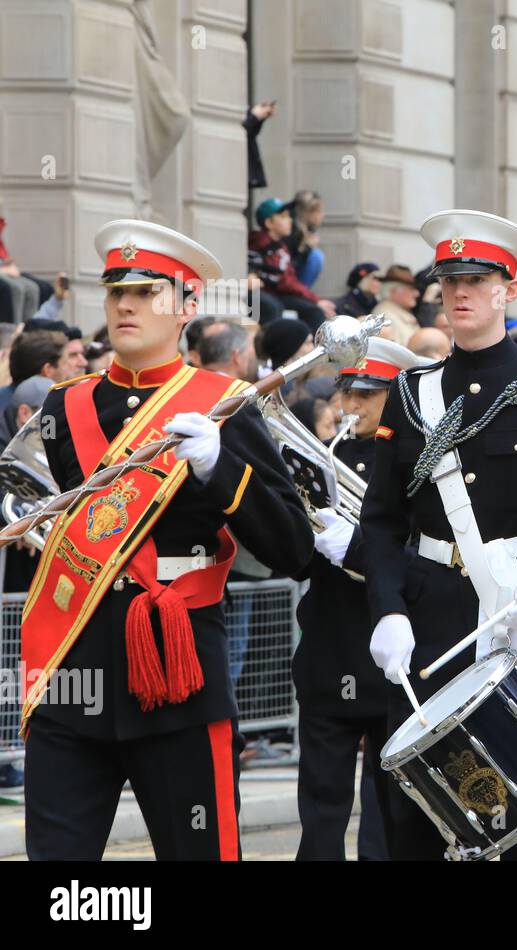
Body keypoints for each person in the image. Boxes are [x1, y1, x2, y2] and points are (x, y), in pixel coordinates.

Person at [21, 219, 313, 860]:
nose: (126, 304)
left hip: (179, 667)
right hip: (78, 666)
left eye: (148, 291)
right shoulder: (63, 409)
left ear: (185, 307)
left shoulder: (224, 406)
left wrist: (219, 469)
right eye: (115, 291)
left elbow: (292, 545)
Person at [360, 210, 517, 861]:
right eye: (449, 280)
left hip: (515, 618)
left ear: (509, 289)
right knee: (418, 824)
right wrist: (386, 612)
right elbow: (383, 521)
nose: (460, 293)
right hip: (428, 624)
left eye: (476, 278)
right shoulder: (412, 394)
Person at [291, 337, 422, 860]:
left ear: (395, 396)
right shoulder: (330, 456)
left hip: (387, 651)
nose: (353, 406)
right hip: (328, 647)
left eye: (368, 394)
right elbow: (296, 558)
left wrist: (356, 550)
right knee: (320, 803)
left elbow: (419, 560)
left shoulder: (417, 466)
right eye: (348, 391)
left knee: (389, 807)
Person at [248, 197, 335, 330]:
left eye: (289, 216)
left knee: (313, 311)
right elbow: (284, 282)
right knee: (273, 307)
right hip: (264, 295)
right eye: (283, 217)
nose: (289, 220)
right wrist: (315, 299)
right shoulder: (261, 243)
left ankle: (311, 348)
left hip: (277, 294)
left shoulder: (281, 246)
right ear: (269, 223)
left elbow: (289, 279)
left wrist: (314, 300)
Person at [373, 265, 421, 348]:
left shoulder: (399, 311)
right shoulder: (385, 316)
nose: (417, 293)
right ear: (393, 291)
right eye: (411, 289)